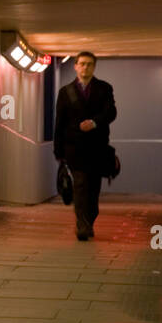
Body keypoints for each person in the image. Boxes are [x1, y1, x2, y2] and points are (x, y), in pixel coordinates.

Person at [53, 51, 117, 241]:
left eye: (89, 64)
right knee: (80, 185)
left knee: (93, 189)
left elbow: (111, 113)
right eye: (82, 64)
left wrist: (95, 122)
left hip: (97, 148)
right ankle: (82, 225)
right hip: (74, 149)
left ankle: (89, 219)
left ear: (94, 67)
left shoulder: (104, 89)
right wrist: (58, 151)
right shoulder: (65, 92)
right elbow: (60, 122)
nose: (85, 67)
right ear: (75, 66)